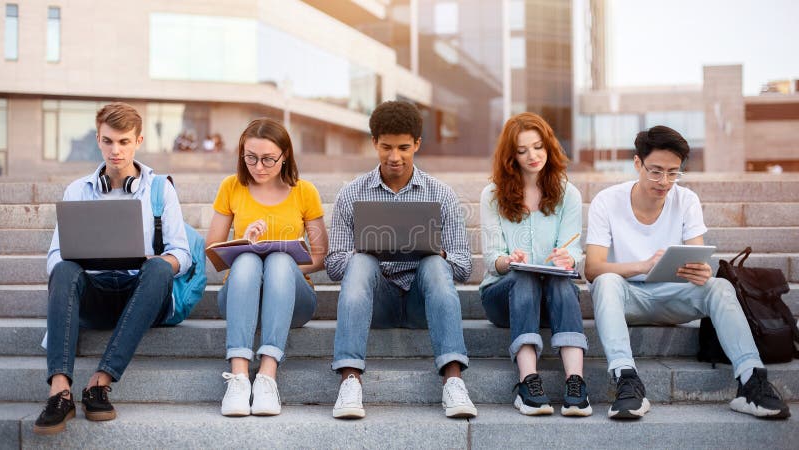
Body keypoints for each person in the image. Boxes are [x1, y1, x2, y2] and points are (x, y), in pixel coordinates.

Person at [585, 125, 791, 420]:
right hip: (626, 298)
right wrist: (643, 266)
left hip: (672, 296)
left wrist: (700, 271)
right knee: (606, 281)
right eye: (655, 171)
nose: (664, 181)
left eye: (673, 172)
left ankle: (751, 381)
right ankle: (626, 380)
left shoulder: (687, 200)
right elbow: (592, 268)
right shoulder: (607, 201)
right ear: (637, 164)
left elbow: (698, 256)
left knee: (719, 286)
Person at [34, 102, 192, 435]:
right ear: (98, 139)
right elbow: (54, 257)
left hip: (143, 293)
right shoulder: (77, 190)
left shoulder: (161, 189)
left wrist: (160, 261)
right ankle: (59, 392)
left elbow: (182, 253)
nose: (115, 150)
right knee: (63, 270)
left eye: (123, 142)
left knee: (161, 269)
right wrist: (78, 260)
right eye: (108, 141)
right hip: (95, 292)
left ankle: (100, 382)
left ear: (138, 141)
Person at [326, 100, 476, 420]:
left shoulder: (442, 195)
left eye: (404, 148)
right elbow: (335, 265)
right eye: (386, 147)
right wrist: (365, 250)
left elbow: (464, 267)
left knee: (436, 265)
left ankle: (453, 381)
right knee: (361, 262)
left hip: (424, 302)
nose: (395, 157)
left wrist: (437, 251)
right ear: (374, 144)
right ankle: (350, 380)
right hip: (378, 302)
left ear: (418, 144)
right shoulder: (351, 195)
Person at [205, 118, 328, 417]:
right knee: (248, 259)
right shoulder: (231, 186)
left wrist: (280, 271)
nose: (259, 167)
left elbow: (321, 256)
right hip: (240, 293)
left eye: (268, 159)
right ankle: (238, 377)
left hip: (295, 299)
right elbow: (212, 251)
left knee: (279, 260)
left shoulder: (304, 191)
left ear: (285, 155)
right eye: (251, 158)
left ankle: (267, 375)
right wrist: (246, 245)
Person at [480, 112, 591, 417]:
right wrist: (509, 261)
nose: (533, 156)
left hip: (553, 297)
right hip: (502, 296)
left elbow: (575, 252)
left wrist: (569, 259)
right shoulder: (493, 195)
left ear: (549, 147)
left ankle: (575, 383)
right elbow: (491, 261)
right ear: (510, 156)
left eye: (538, 146)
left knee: (559, 280)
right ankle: (528, 383)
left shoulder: (568, 193)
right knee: (524, 277)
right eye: (522, 150)